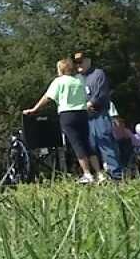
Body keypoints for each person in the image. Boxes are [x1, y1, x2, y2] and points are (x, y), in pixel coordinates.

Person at [24, 57, 104, 183]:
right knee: (87, 143)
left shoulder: (59, 81)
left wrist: (34, 109)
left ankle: (87, 174)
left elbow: (47, 97)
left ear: (61, 69)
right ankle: (100, 173)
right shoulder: (79, 79)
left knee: (77, 144)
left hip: (68, 114)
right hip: (82, 113)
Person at [74, 52, 123, 180]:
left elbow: (100, 94)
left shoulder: (98, 74)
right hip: (85, 117)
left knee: (105, 143)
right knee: (90, 147)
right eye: (76, 62)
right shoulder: (77, 78)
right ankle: (98, 174)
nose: (78, 64)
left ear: (88, 61)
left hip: (99, 114)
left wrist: (89, 103)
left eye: (81, 61)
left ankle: (116, 175)